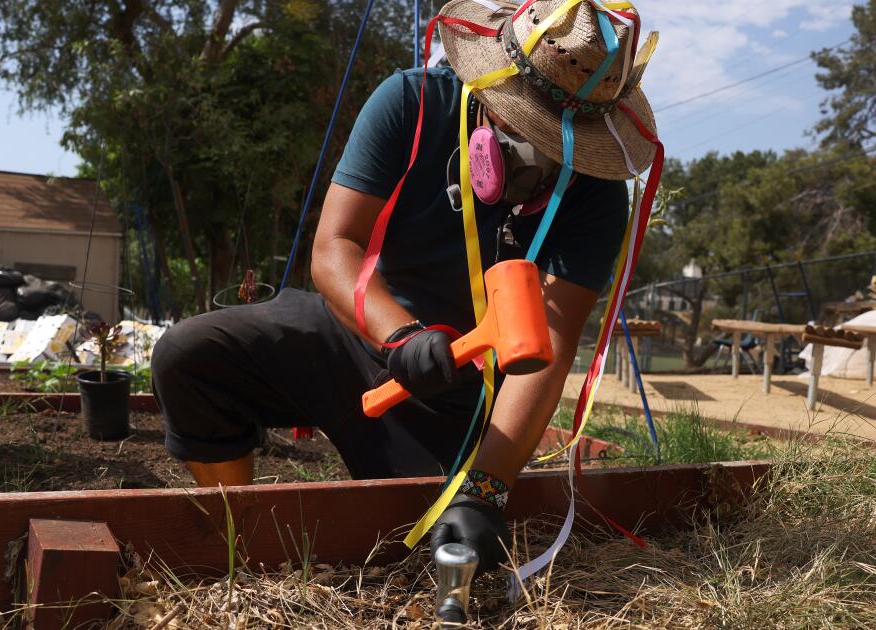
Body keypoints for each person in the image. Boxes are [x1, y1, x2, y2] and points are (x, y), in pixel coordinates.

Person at [152, 0, 658, 577]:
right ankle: (236, 542)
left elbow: (551, 342)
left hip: (454, 392)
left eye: (557, 140)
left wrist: (485, 490)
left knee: (423, 543)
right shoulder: (411, 102)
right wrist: (401, 337)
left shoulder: (595, 190)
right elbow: (334, 247)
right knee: (189, 356)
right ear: (491, 86)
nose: (534, 154)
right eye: (521, 123)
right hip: (353, 333)